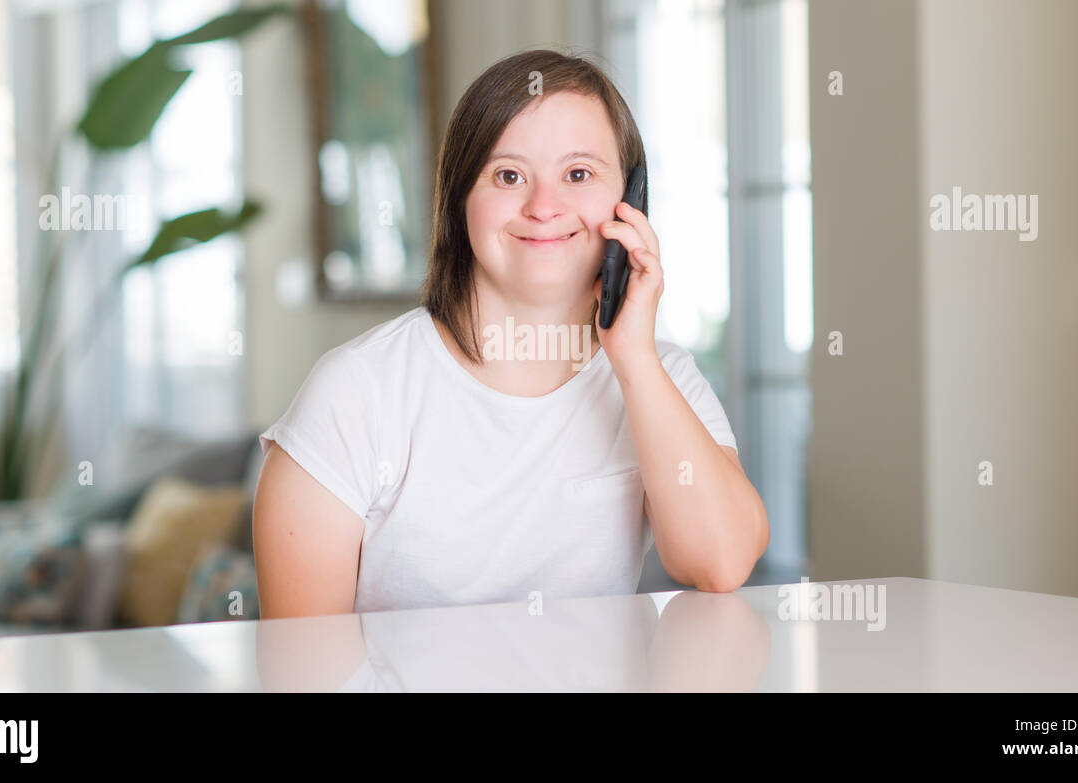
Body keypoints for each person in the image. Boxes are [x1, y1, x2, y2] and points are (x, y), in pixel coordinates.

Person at [254, 49, 769, 618]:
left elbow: (721, 562)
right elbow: (303, 668)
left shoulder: (657, 374)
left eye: (578, 174)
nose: (544, 206)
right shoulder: (356, 391)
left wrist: (634, 360)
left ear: (631, 202)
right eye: (508, 175)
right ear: (460, 202)